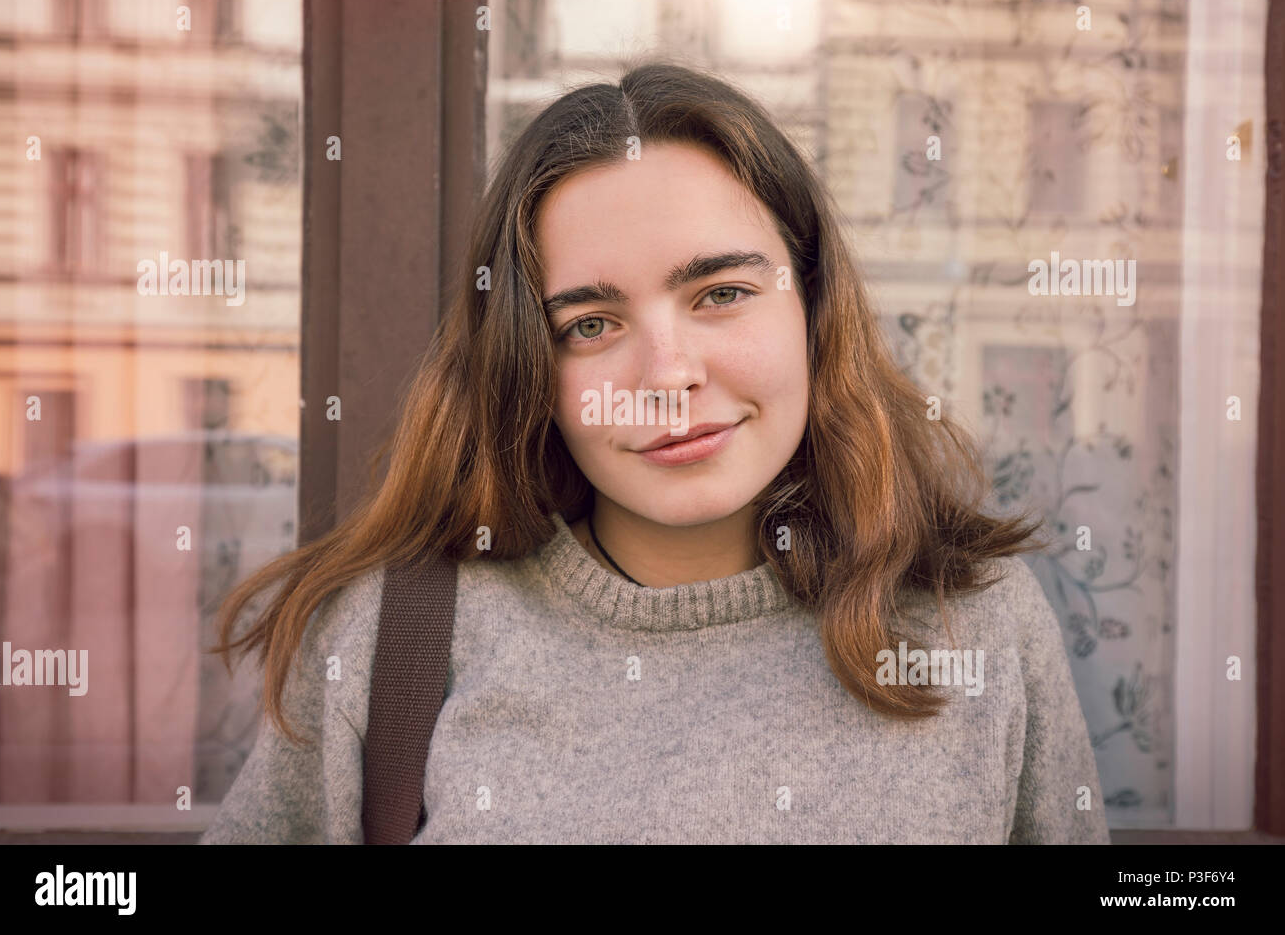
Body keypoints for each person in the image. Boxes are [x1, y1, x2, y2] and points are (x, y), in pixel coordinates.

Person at [200, 61, 1110, 844]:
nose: (665, 376)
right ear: (530, 368)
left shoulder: (973, 626)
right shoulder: (399, 637)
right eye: (591, 324)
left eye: (720, 293)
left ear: (813, 306)